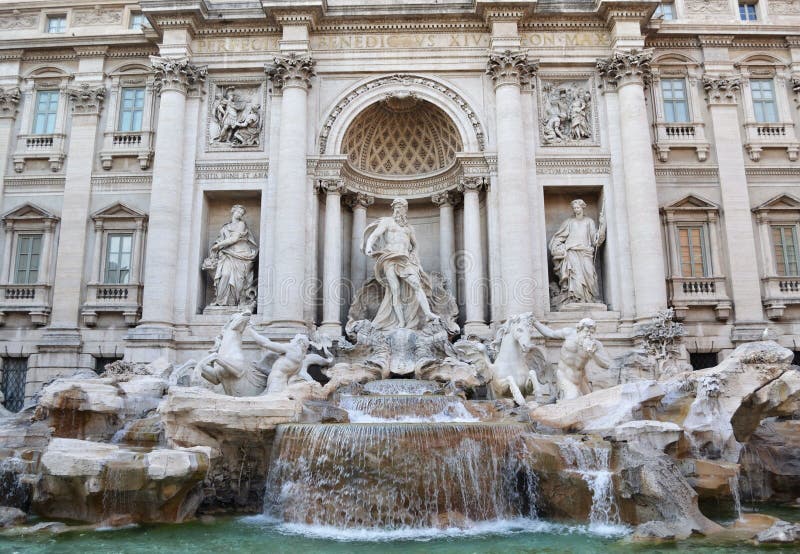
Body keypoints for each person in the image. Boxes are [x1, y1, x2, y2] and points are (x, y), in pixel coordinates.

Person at [362, 198, 438, 330]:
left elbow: (415, 246)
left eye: (400, 207)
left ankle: (428, 313)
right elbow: (374, 235)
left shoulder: (409, 228)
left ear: (405, 209)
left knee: (416, 284)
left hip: (405, 259)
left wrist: (415, 257)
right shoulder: (387, 222)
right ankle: (401, 322)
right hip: (390, 258)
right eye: (396, 206)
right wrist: (369, 246)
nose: (397, 209)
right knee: (395, 290)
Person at [531, 317, 611, 400]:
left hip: (581, 379)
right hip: (564, 375)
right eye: (586, 331)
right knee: (572, 399)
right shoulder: (568, 333)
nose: (588, 334)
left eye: (591, 332)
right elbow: (550, 333)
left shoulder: (595, 345)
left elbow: (606, 364)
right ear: (579, 329)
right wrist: (535, 322)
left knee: (590, 401)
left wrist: (594, 353)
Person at [549, 199, 605, 305]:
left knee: (589, 275)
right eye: (574, 208)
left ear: (582, 208)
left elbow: (595, 240)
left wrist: (602, 226)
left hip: (585, 252)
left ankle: (589, 298)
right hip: (572, 252)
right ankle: (576, 299)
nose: (576, 210)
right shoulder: (569, 222)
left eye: (578, 207)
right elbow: (558, 237)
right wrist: (559, 247)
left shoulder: (589, 221)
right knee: (575, 276)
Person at [208, 205, 258, 307]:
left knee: (239, 281)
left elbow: (234, 239)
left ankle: (234, 302)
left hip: (241, 254)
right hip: (227, 254)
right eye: (238, 212)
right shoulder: (225, 227)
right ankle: (221, 301)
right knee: (225, 275)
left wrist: (218, 246)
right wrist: (216, 246)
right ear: (233, 211)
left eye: (242, 213)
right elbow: (220, 239)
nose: (240, 214)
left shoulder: (241, 224)